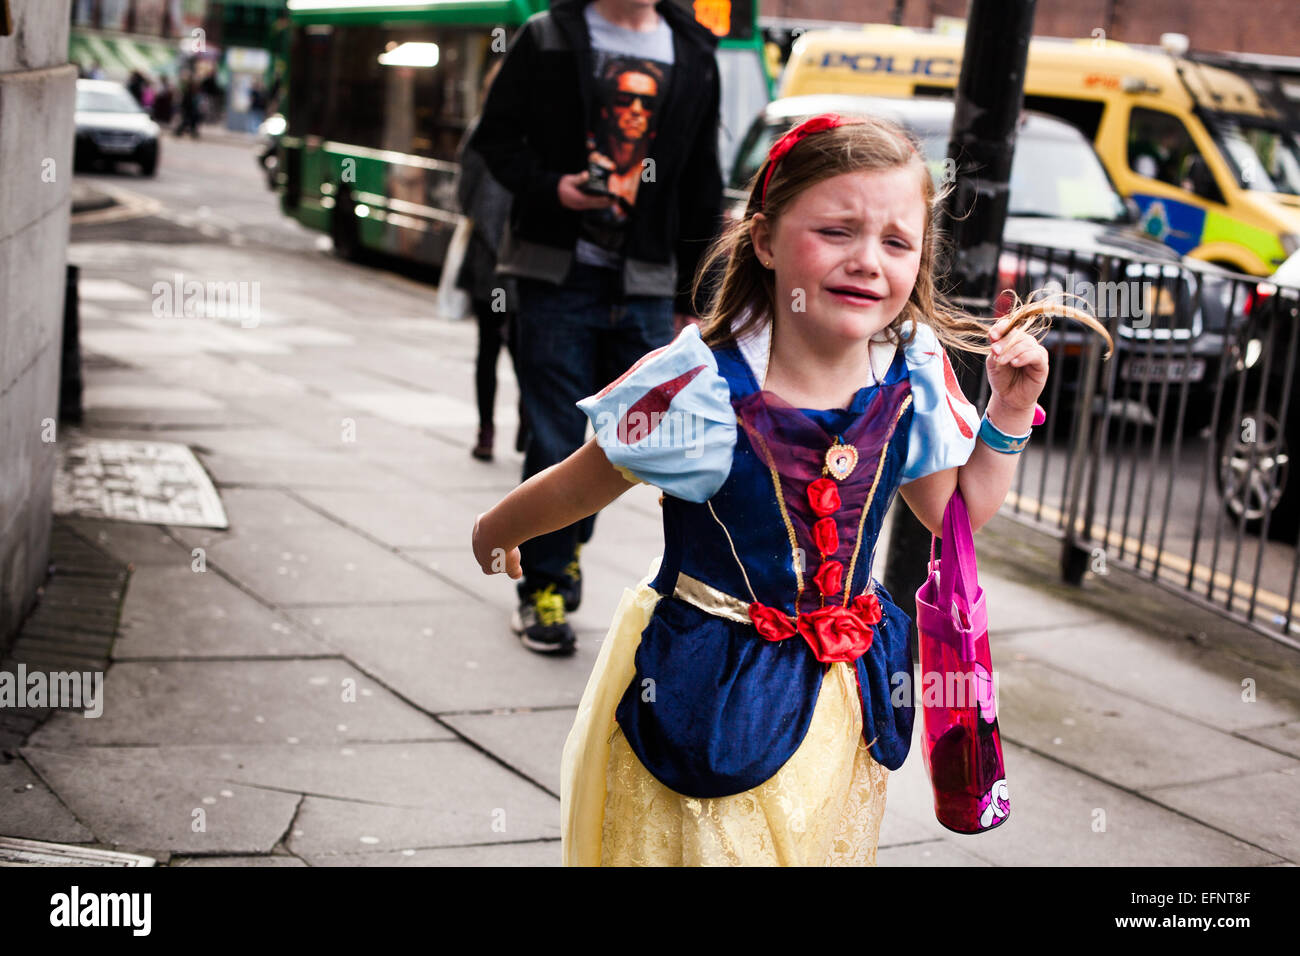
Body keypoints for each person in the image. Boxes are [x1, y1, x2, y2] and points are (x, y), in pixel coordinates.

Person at [471, 113, 1113, 866]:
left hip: (840, 702)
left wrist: (1006, 413)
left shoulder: (912, 370)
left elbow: (955, 515)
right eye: (837, 231)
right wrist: (499, 528)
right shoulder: (699, 387)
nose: (869, 260)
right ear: (766, 240)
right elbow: (584, 482)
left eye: (897, 242)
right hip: (704, 687)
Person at [468, 0, 724, 656]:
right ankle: (546, 588)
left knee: (627, 447)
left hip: (645, 283)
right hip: (555, 276)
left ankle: (563, 545)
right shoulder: (549, 35)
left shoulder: (694, 50)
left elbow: (701, 180)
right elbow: (494, 141)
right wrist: (553, 187)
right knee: (554, 436)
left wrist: (695, 295)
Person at [456, 61, 522, 462]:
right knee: (523, 347)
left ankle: (486, 431)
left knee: (488, 348)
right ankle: (527, 422)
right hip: (521, 261)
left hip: (488, 260)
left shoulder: (481, 131)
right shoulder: (535, 134)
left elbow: (464, 195)